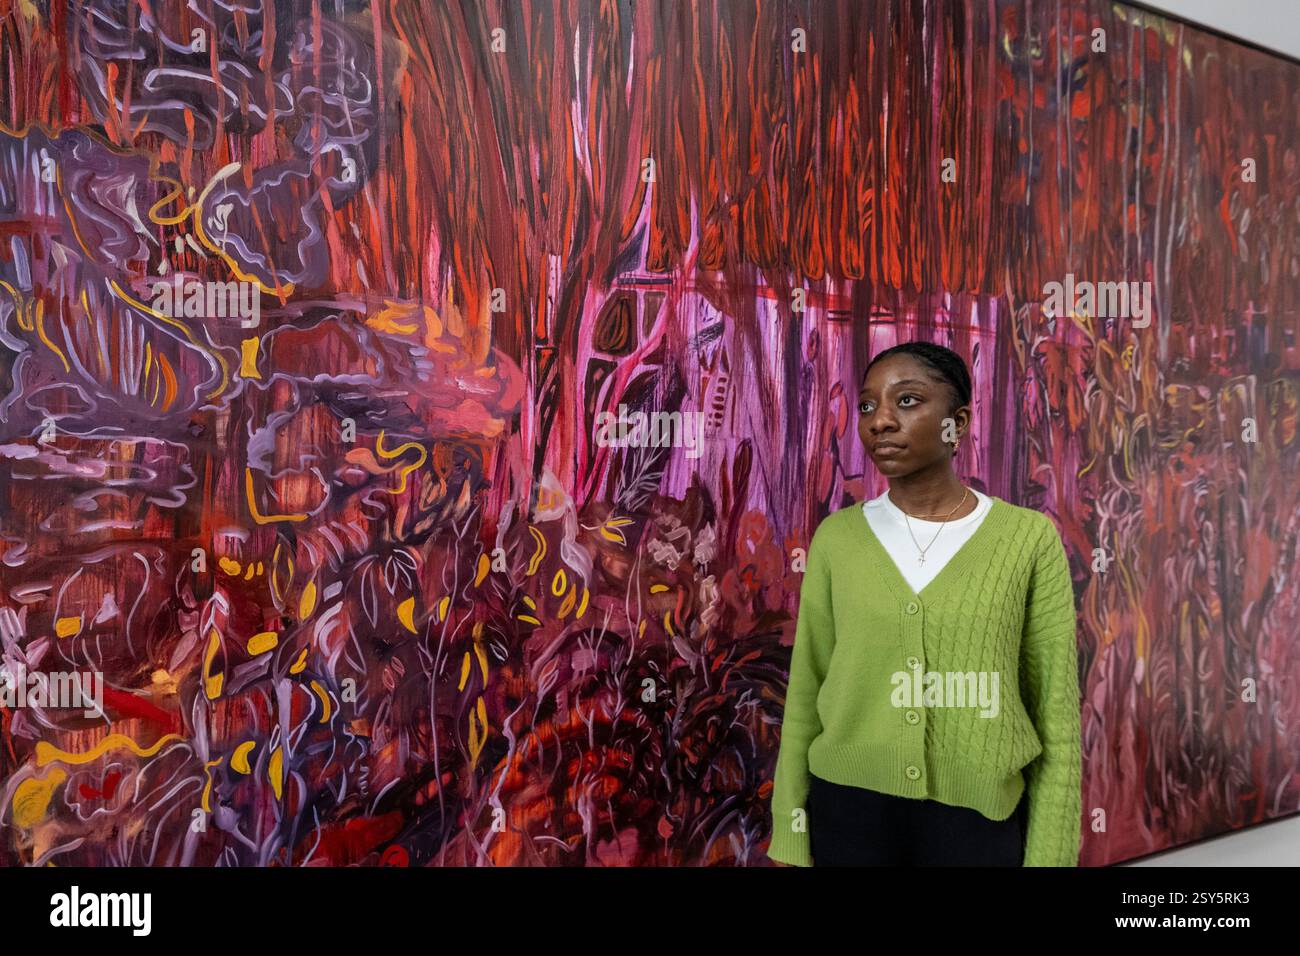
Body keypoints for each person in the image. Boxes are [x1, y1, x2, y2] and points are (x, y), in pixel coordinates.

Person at [767, 341, 1081, 866]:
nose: (880, 421)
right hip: (847, 816)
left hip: (977, 825)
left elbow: (1056, 717)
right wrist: (791, 833)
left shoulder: (1027, 541)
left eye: (907, 401)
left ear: (956, 421)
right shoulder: (837, 540)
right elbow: (805, 694)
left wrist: (1051, 857)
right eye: (868, 406)